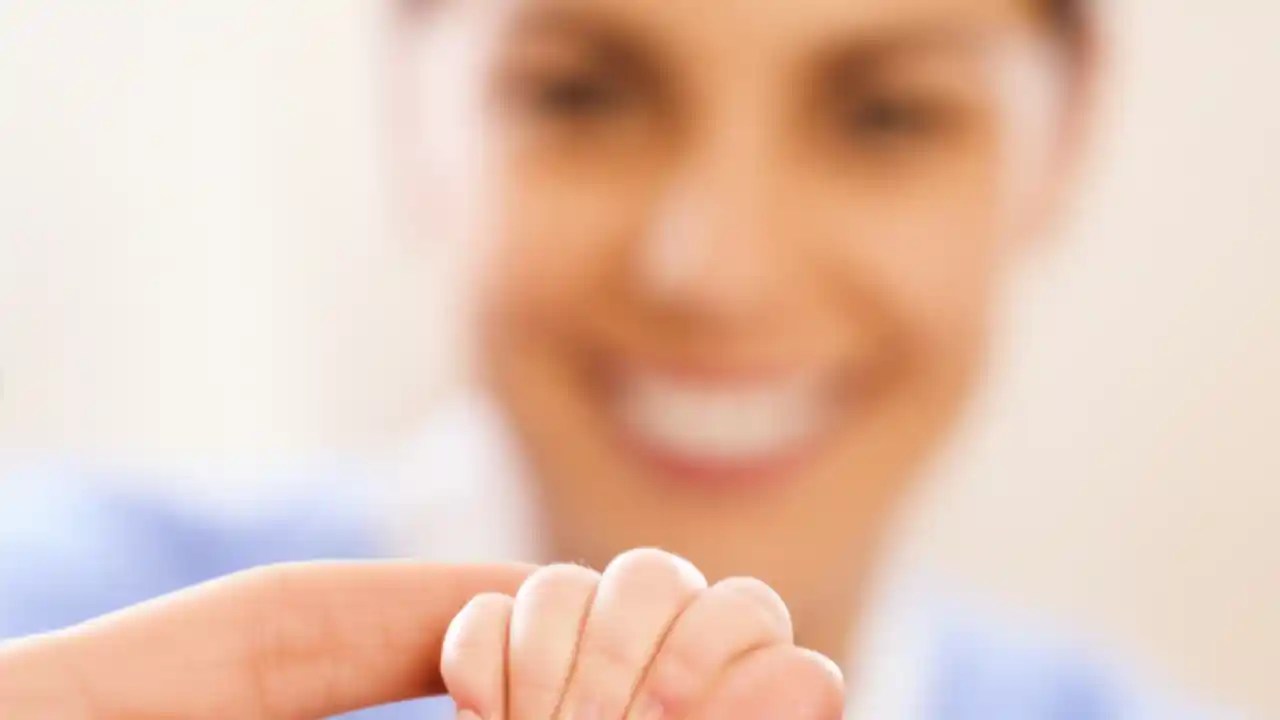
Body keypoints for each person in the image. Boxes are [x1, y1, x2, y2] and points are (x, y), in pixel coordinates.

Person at [0, 0, 1217, 717]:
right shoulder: (52, 630)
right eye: (580, 97)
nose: (716, 270)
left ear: (1057, 143)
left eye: (883, 115)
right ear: (414, 114)